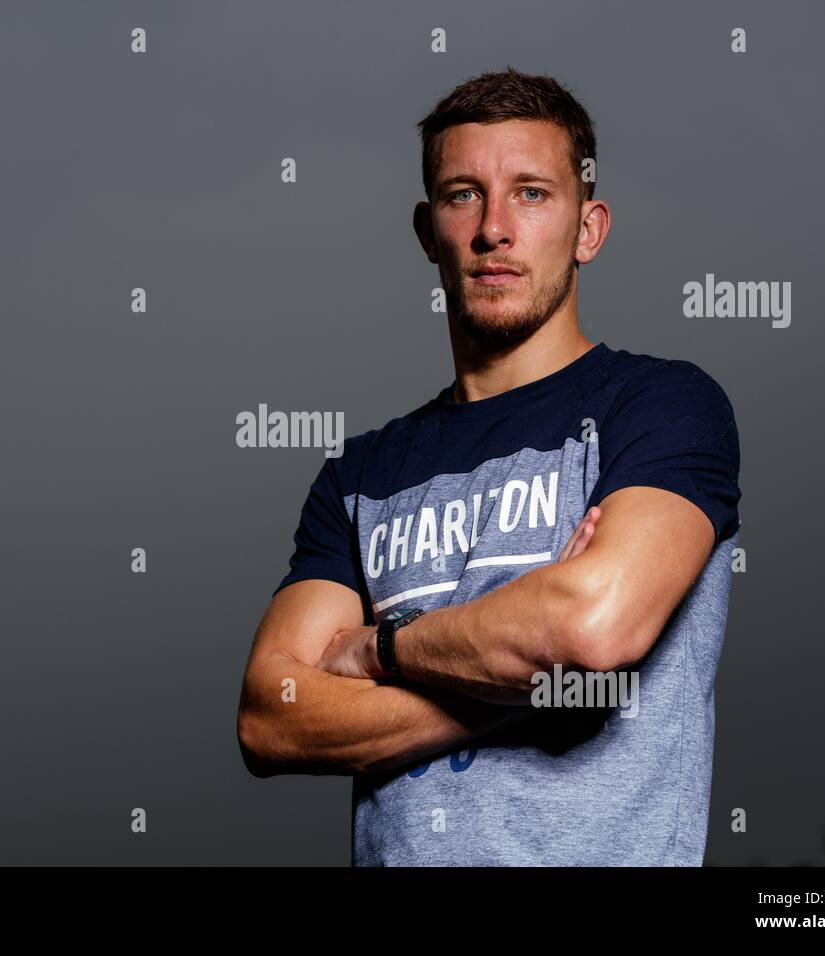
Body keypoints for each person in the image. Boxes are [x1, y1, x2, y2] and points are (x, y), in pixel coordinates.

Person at [237, 68, 742, 866]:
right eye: (463, 194)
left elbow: (590, 624)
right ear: (425, 229)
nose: (494, 229)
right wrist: (543, 693)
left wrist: (380, 651)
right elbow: (271, 716)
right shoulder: (361, 473)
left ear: (589, 227)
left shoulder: (660, 407)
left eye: (533, 193)